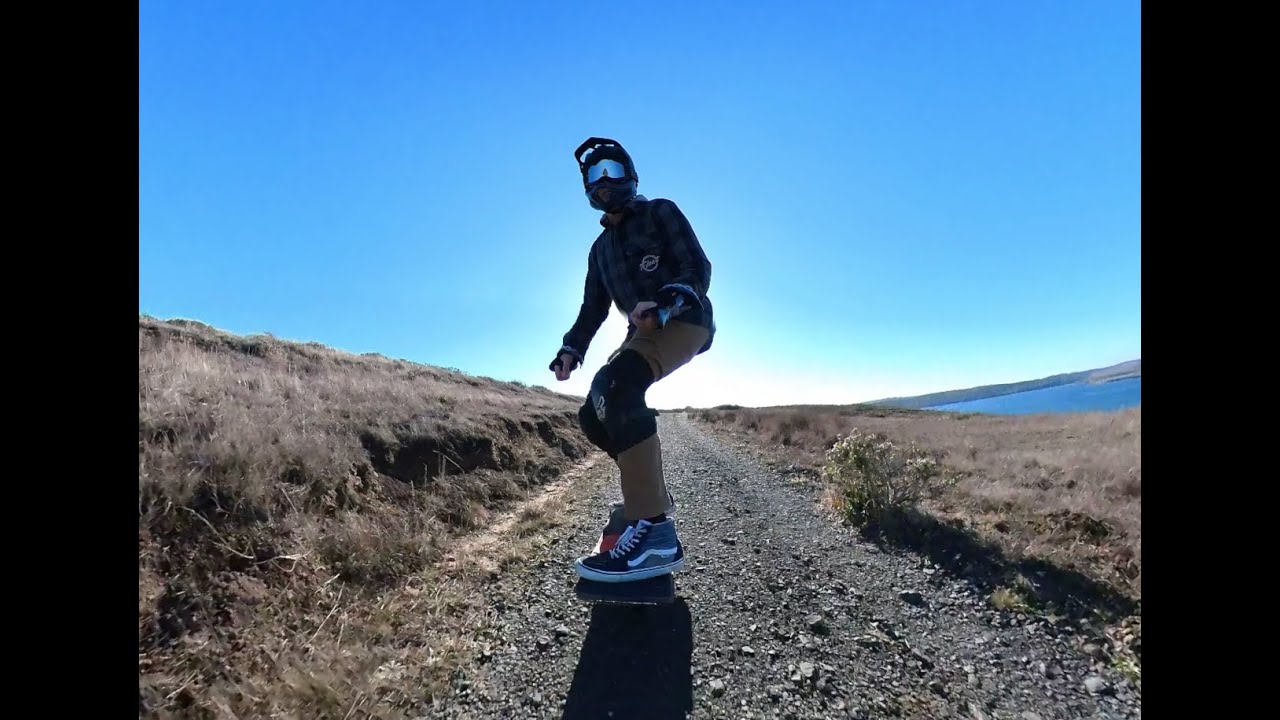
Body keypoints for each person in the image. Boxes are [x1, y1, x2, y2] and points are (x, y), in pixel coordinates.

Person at [549, 137, 716, 583]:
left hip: (685, 319)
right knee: (593, 413)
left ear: (630, 174)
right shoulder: (599, 250)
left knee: (620, 389)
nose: (605, 182)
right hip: (638, 332)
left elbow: (696, 268)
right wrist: (572, 349)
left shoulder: (660, 212)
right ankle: (648, 504)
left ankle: (656, 537)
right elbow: (592, 309)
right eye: (594, 175)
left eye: (612, 171)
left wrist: (662, 304)